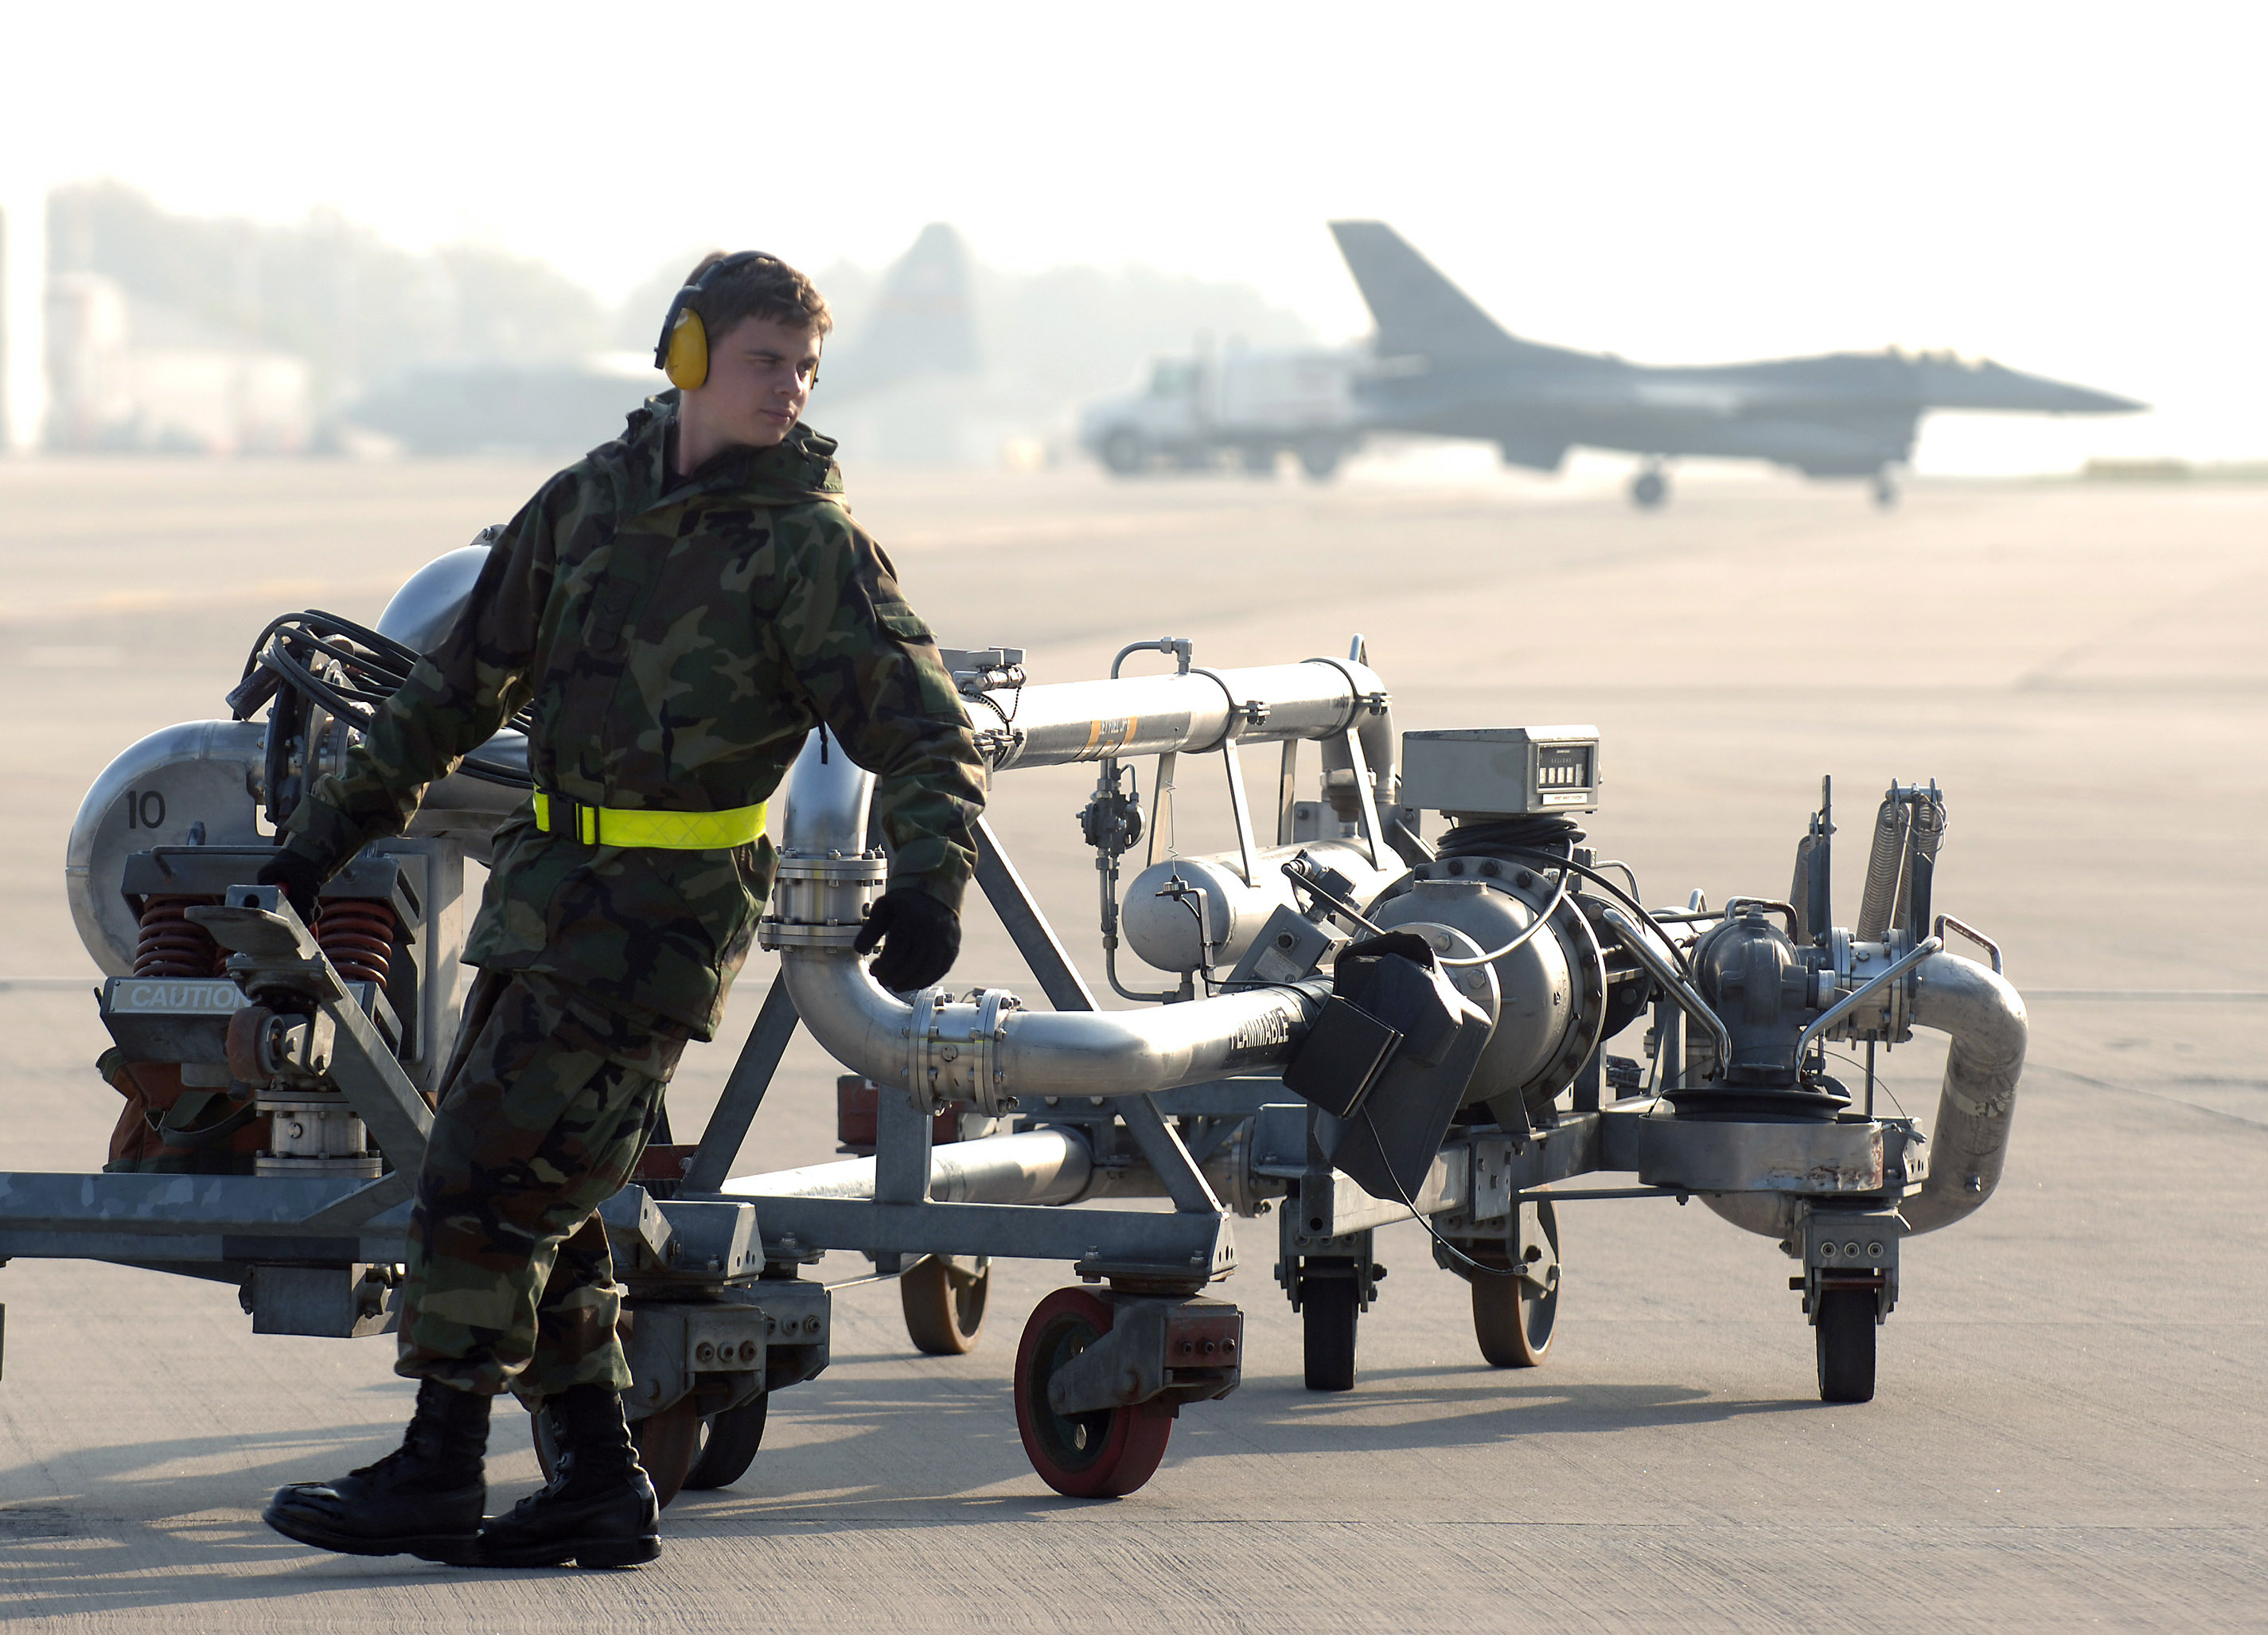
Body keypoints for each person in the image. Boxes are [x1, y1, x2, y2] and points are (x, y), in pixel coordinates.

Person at [257, 251, 985, 1569]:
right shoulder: (588, 503)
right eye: (765, 360)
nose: (791, 390)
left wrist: (928, 879)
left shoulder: (809, 547)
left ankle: (439, 1462)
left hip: (666, 917)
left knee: (484, 1170)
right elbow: (456, 685)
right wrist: (326, 836)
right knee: (551, 1189)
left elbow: (930, 734)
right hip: (549, 896)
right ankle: (596, 1475)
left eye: (807, 369)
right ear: (690, 355)